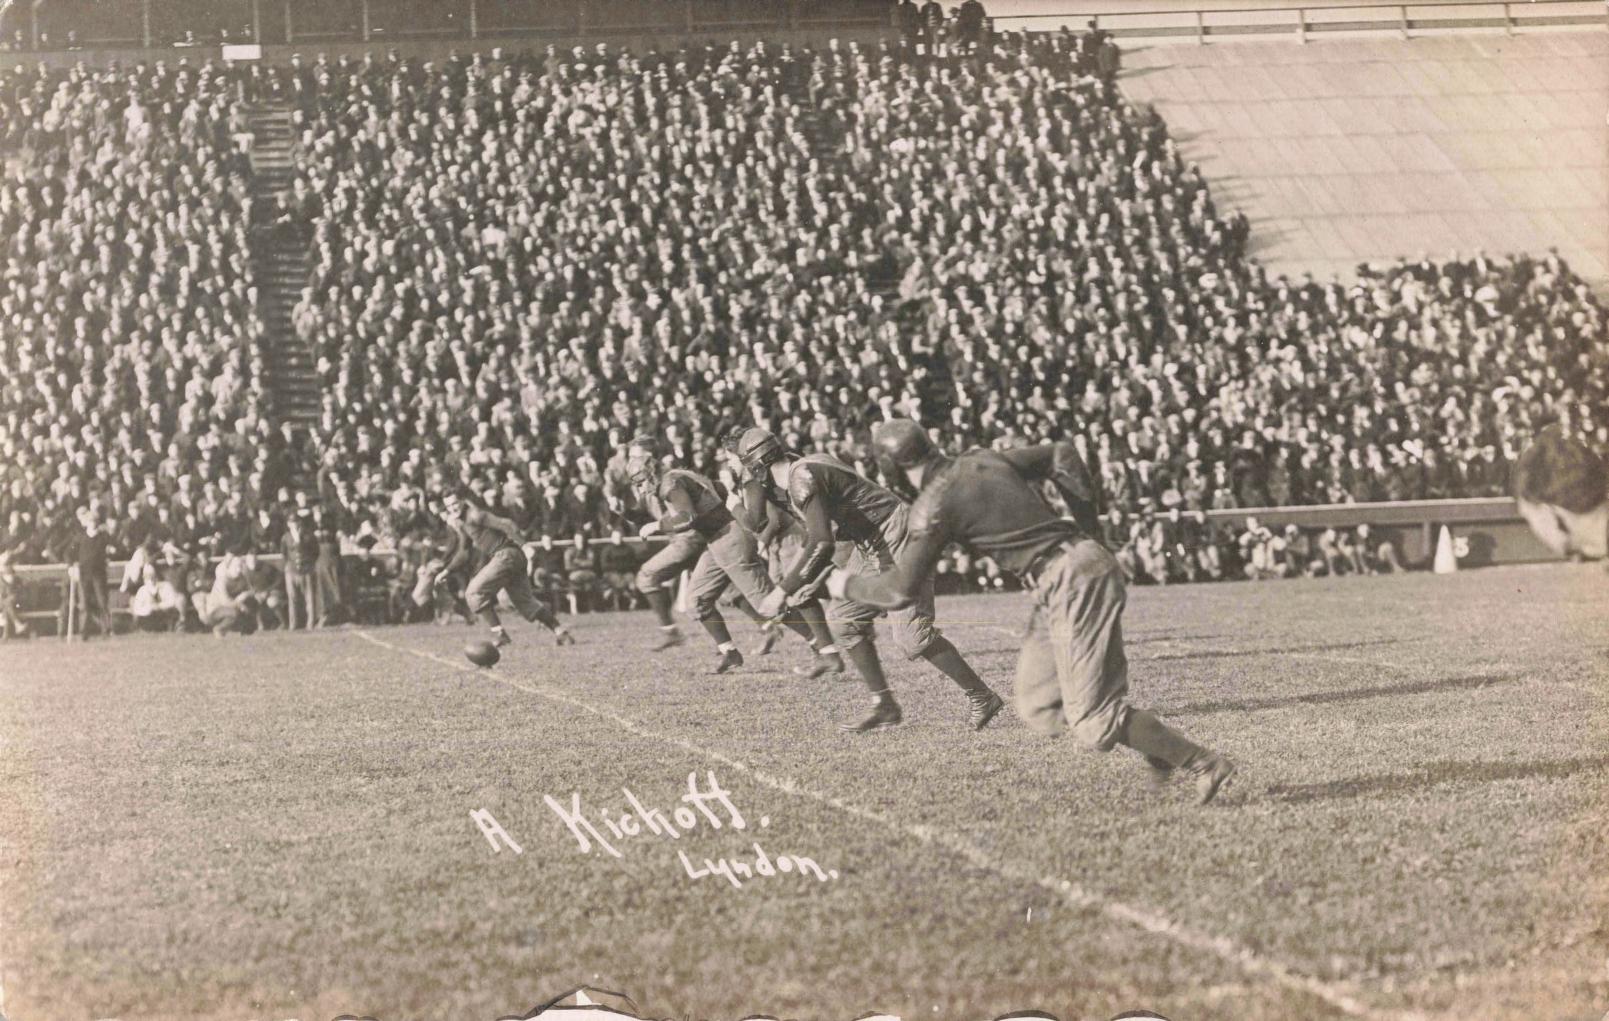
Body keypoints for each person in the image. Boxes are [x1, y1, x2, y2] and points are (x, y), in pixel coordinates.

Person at [829, 420, 1236, 803]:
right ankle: (1155, 746)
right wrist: (1088, 529)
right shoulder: (981, 458)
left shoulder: (933, 504)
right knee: (1039, 708)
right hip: (1061, 578)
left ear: (890, 467)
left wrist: (845, 583)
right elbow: (1062, 453)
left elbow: (899, 591)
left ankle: (1203, 762)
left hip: (1071, 580)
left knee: (1092, 725)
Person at [738, 426, 1005, 733]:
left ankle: (982, 696)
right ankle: (885, 706)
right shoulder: (803, 470)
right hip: (872, 541)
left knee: (911, 637)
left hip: (895, 535)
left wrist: (783, 591)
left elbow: (821, 542)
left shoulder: (801, 477)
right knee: (842, 619)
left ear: (756, 467)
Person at [433, 490, 575, 649]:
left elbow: (505, 525)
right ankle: (562, 633)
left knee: (473, 592)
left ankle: (500, 635)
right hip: (511, 557)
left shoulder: (475, 514)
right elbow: (464, 552)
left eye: (455, 503)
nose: (452, 508)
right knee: (526, 603)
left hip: (506, 555)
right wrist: (447, 571)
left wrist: (525, 544)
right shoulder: (462, 522)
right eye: (449, 506)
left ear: (462, 501)